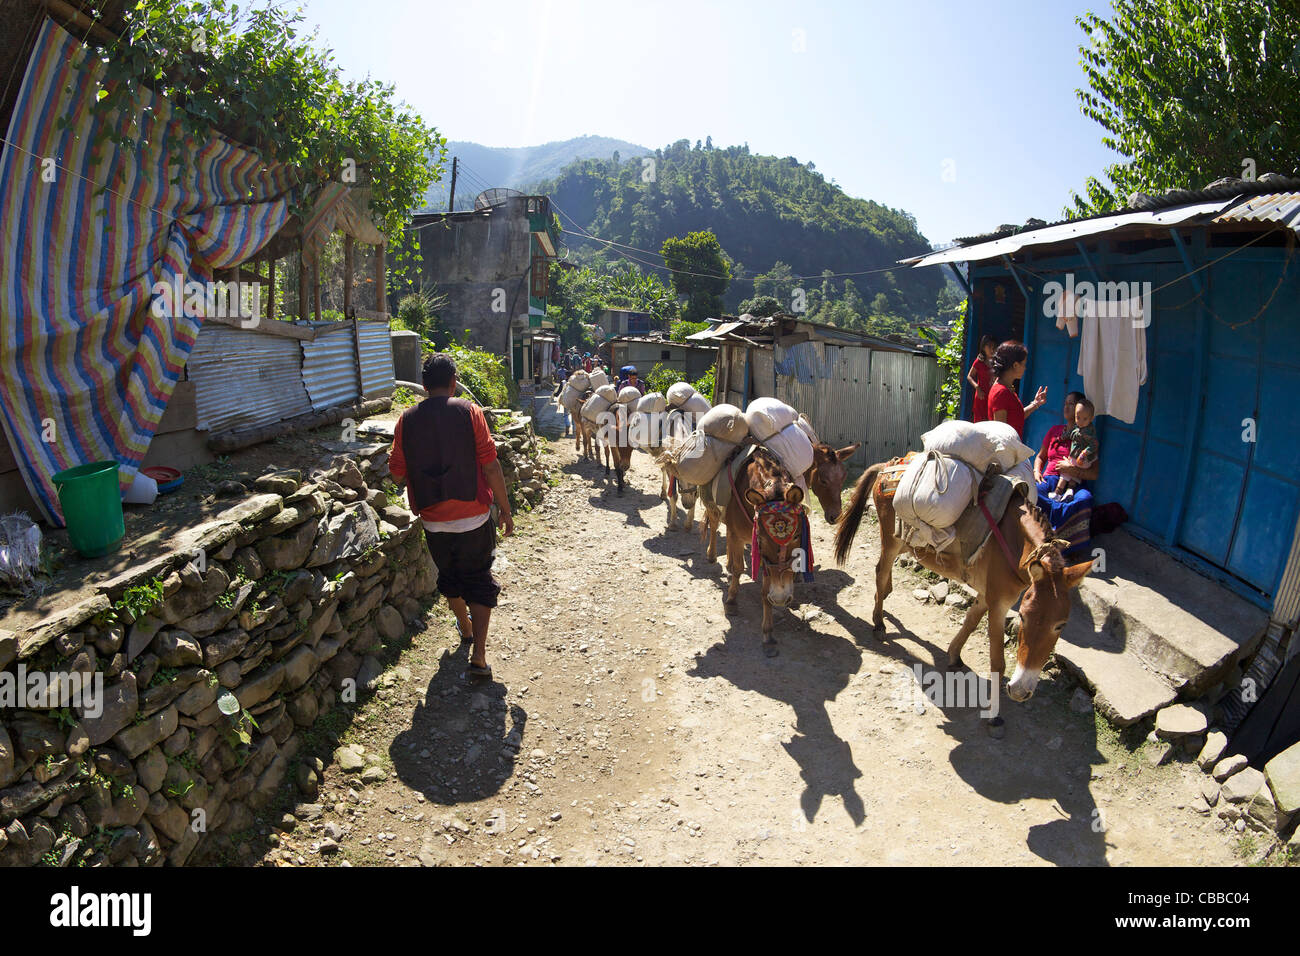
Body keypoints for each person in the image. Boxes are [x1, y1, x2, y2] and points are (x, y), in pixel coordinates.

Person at [388, 353, 514, 680]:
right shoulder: (469, 411)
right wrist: (505, 508)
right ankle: (480, 656)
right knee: (479, 581)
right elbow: (490, 465)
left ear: (425, 386)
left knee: (450, 576)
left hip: (432, 519)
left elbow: (397, 473)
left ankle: (466, 628)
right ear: (454, 382)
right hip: (473, 517)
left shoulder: (406, 420)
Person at [1032, 390, 1098, 558]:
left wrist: (1071, 470)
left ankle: (1065, 546)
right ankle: (1039, 538)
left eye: (1071, 403)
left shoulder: (1087, 438)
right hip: (1050, 478)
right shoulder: (1055, 431)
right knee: (1034, 492)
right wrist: (1036, 471)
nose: (1066, 407)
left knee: (1085, 499)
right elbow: (1040, 456)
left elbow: (1094, 474)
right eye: (1065, 403)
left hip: (1074, 482)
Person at [986, 340, 1048, 440]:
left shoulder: (1007, 388)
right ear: (1015, 365)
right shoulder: (1001, 392)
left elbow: (1016, 417)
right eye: (1023, 364)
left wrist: (1035, 404)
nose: (1025, 368)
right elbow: (1000, 433)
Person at [1049, 397, 1099, 501]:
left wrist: (1084, 453)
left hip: (1081, 458)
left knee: (1065, 474)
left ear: (1091, 418)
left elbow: (1094, 444)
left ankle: (1058, 493)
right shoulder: (1077, 428)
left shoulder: (1088, 433)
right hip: (1076, 457)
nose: (1080, 421)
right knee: (1071, 476)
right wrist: (1061, 438)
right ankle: (1069, 492)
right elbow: (1069, 434)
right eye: (1078, 417)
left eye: (1085, 419)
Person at [966, 335, 997, 423]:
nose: (992, 350)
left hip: (993, 397)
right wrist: (977, 388)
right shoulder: (979, 361)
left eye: (994, 347)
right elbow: (969, 376)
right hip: (981, 397)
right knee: (979, 424)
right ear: (983, 347)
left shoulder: (997, 362)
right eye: (989, 347)